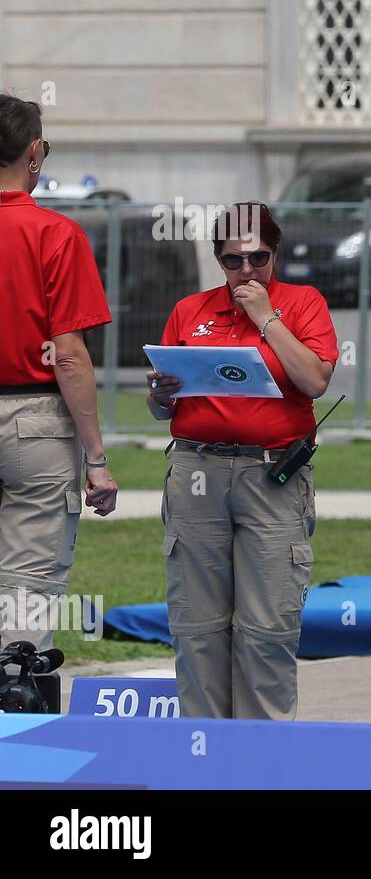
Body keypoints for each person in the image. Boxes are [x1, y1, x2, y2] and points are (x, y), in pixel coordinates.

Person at [146, 202, 338, 720]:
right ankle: (203, 752)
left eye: (259, 257)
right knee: (197, 625)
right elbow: (163, 407)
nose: (247, 271)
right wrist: (161, 393)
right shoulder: (191, 310)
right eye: (234, 261)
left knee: (267, 625)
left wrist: (265, 318)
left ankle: (262, 761)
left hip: (271, 474)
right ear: (218, 260)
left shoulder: (302, 303)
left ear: (276, 254)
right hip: (198, 470)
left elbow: (315, 380)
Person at [0, 94, 117, 666]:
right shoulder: (56, 235)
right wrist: (95, 456)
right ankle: (14, 708)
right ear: (34, 152)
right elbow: (68, 355)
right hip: (33, 419)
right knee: (26, 582)